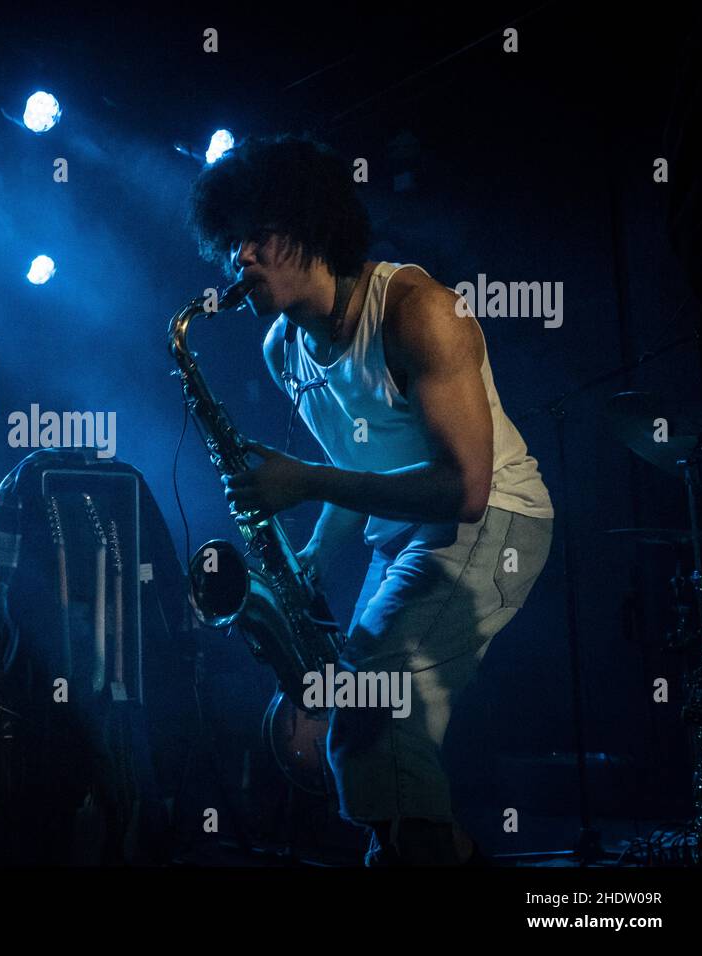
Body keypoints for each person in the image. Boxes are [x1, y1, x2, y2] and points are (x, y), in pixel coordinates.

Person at [188, 134, 555, 865]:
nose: (240, 260)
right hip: (412, 537)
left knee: (367, 722)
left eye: (256, 237)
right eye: (230, 244)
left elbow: (466, 490)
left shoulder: (418, 311)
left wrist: (304, 481)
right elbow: (358, 461)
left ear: (311, 226)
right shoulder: (281, 347)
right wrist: (313, 552)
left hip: (499, 521)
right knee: (362, 738)